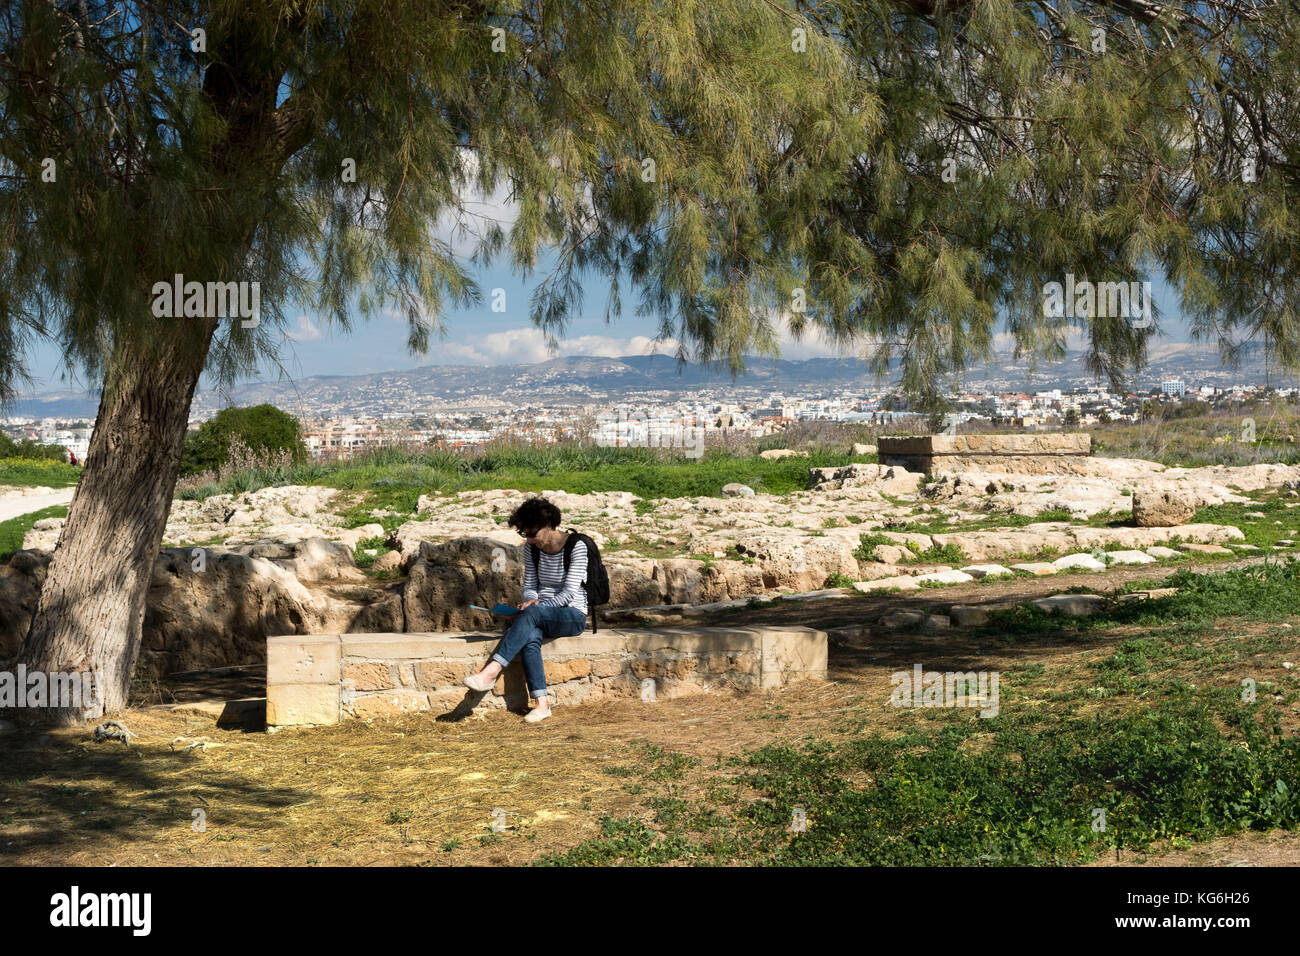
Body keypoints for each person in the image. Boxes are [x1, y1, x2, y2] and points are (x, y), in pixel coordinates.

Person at [463, 496, 589, 723]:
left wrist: (537, 606)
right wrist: (531, 601)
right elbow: (530, 586)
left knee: (532, 615)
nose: (529, 539)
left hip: (572, 614)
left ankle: (491, 671)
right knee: (530, 636)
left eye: (532, 533)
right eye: (525, 534)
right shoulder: (532, 549)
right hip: (540, 614)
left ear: (549, 526)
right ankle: (542, 705)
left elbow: (569, 593)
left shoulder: (577, 546)